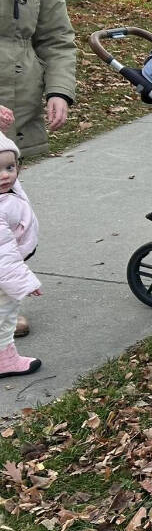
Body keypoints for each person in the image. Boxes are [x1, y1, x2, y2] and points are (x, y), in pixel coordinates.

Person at [0, 0, 76, 342]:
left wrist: (58, 90)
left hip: (19, 110)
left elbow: (57, 37)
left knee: (11, 216)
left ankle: (4, 307)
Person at [0, 131, 41, 378]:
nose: (5, 175)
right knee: (5, 316)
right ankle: (6, 360)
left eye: (10, 167)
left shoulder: (8, 192)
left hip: (8, 268)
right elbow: (3, 254)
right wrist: (26, 283)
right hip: (5, 273)